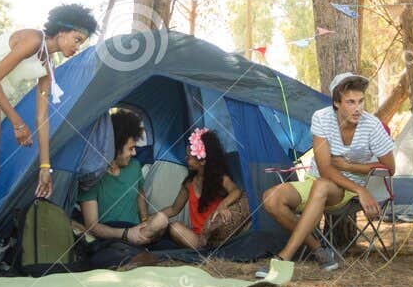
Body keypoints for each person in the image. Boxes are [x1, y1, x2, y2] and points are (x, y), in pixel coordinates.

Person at [0, 4, 98, 276]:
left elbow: (43, 119)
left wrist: (45, 167)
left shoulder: (48, 64)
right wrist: (18, 123)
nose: (78, 47)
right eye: (77, 39)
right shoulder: (33, 39)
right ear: (63, 31)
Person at [259, 72, 394, 272]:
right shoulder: (322, 118)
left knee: (322, 186)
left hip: (345, 191)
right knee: (271, 198)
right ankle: (319, 250)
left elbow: (389, 168)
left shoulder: (372, 125)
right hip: (318, 180)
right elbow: (325, 169)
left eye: (360, 101)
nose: (358, 108)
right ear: (337, 103)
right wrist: (361, 189)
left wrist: (350, 169)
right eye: (350, 102)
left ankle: (283, 259)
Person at [142, 129, 250, 251]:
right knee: (175, 228)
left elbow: (236, 191)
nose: (185, 158)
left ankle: (213, 250)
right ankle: (203, 251)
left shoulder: (220, 179)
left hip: (218, 236)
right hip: (199, 240)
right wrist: (152, 218)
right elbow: (174, 209)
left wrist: (223, 205)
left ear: (203, 161)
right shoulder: (189, 183)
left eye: (189, 156)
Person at [78, 110, 153, 248]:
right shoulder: (92, 175)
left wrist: (144, 218)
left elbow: (140, 193)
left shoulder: (135, 166)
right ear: (115, 147)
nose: (135, 153)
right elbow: (91, 225)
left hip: (138, 233)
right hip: (110, 237)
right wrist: (125, 234)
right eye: (131, 148)